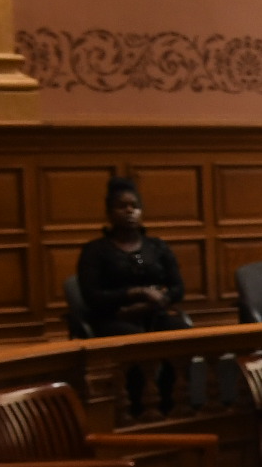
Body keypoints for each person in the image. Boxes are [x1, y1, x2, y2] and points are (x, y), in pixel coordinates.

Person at [77, 176, 188, 415]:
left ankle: (171, 403)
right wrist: (137, 292)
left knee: (180, 332)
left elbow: (178, 288)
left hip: (154, 313)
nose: (129, 211)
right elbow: (92, 296)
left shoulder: (157, 246)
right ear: (109, 213)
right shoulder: (95, 251)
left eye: (134, 206)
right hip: (113, 318)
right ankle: (135, 408)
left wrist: (157, 301)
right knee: (135, 342)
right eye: (122, 206)